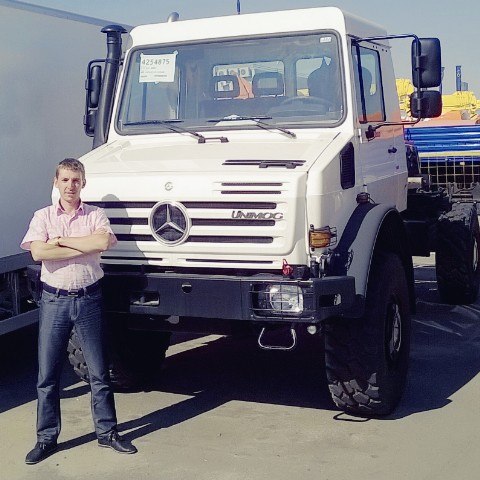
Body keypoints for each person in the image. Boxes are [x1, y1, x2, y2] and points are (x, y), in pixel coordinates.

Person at [21, 158, 137, 465]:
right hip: (54, 301)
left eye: (76, 180)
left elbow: (102, 242)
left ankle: (107, 433)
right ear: (55, 182)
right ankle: (46, 438)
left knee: (99, 372)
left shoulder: (95, 215)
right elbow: (38, 251)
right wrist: (83, 245)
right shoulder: (42, 216)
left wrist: (60, 241)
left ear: (83, 183)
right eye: (65, 180)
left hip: (89, 300)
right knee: (47, 375)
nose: (70, 186)